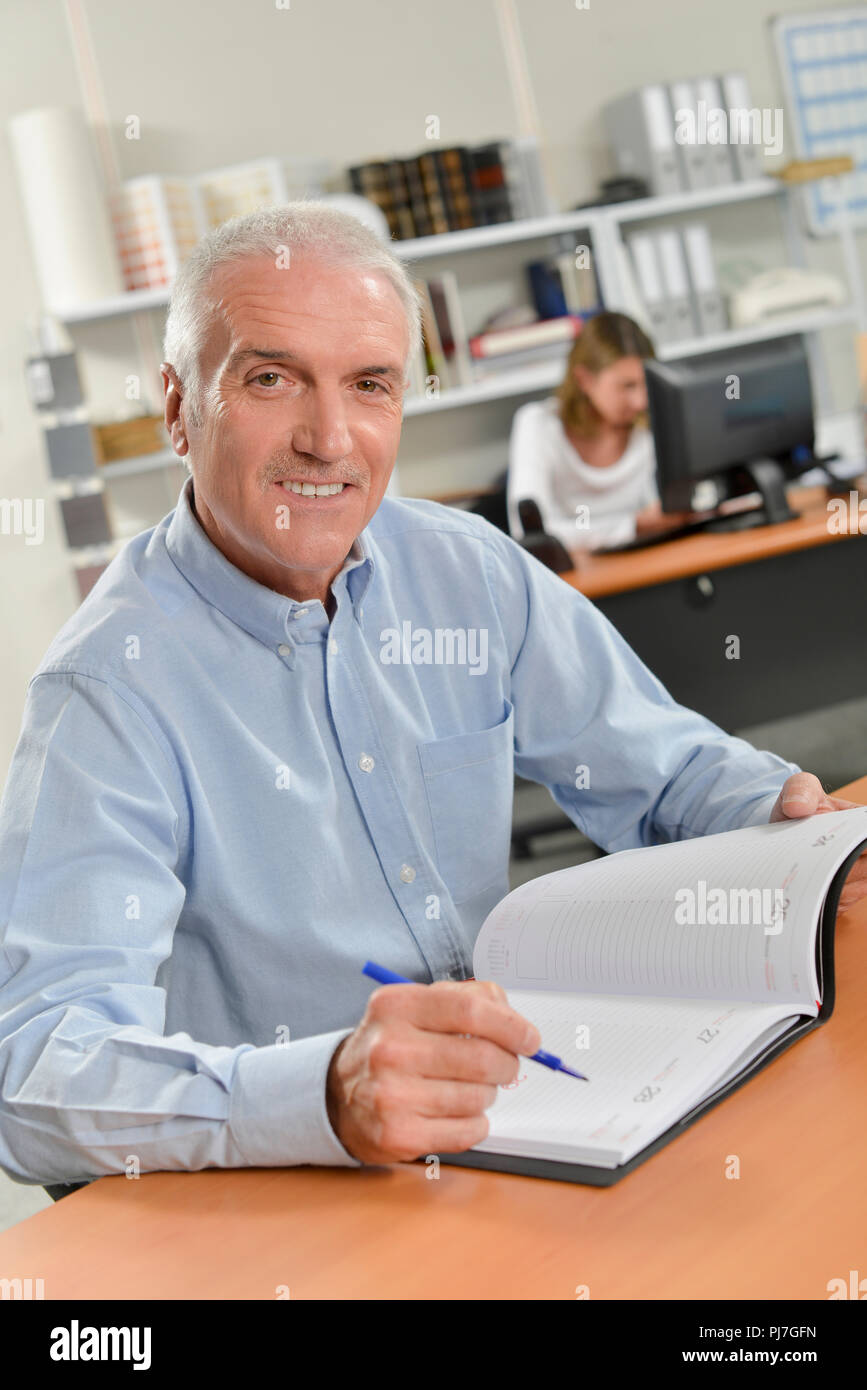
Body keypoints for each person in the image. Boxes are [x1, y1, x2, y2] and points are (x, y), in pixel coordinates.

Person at [0, 204, 863, 1195]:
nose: (330, 439)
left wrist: (792, 823)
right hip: (287, 1199)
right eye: (272, 378)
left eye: (369, 384)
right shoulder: (107, 690)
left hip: (524, 1125)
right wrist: (321, 1092)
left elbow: (671, 769)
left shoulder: (464, 570)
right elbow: (33, 1071)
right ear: (178, 406)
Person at [506, 311, 695, 553]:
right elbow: (532, 536)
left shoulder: (647, 429)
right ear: (584, 380)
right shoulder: (538, 425)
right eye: (626, 386)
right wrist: (632, 526)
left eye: (645, 383)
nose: (640, 401)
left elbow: (664, 516)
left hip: (644, 564)